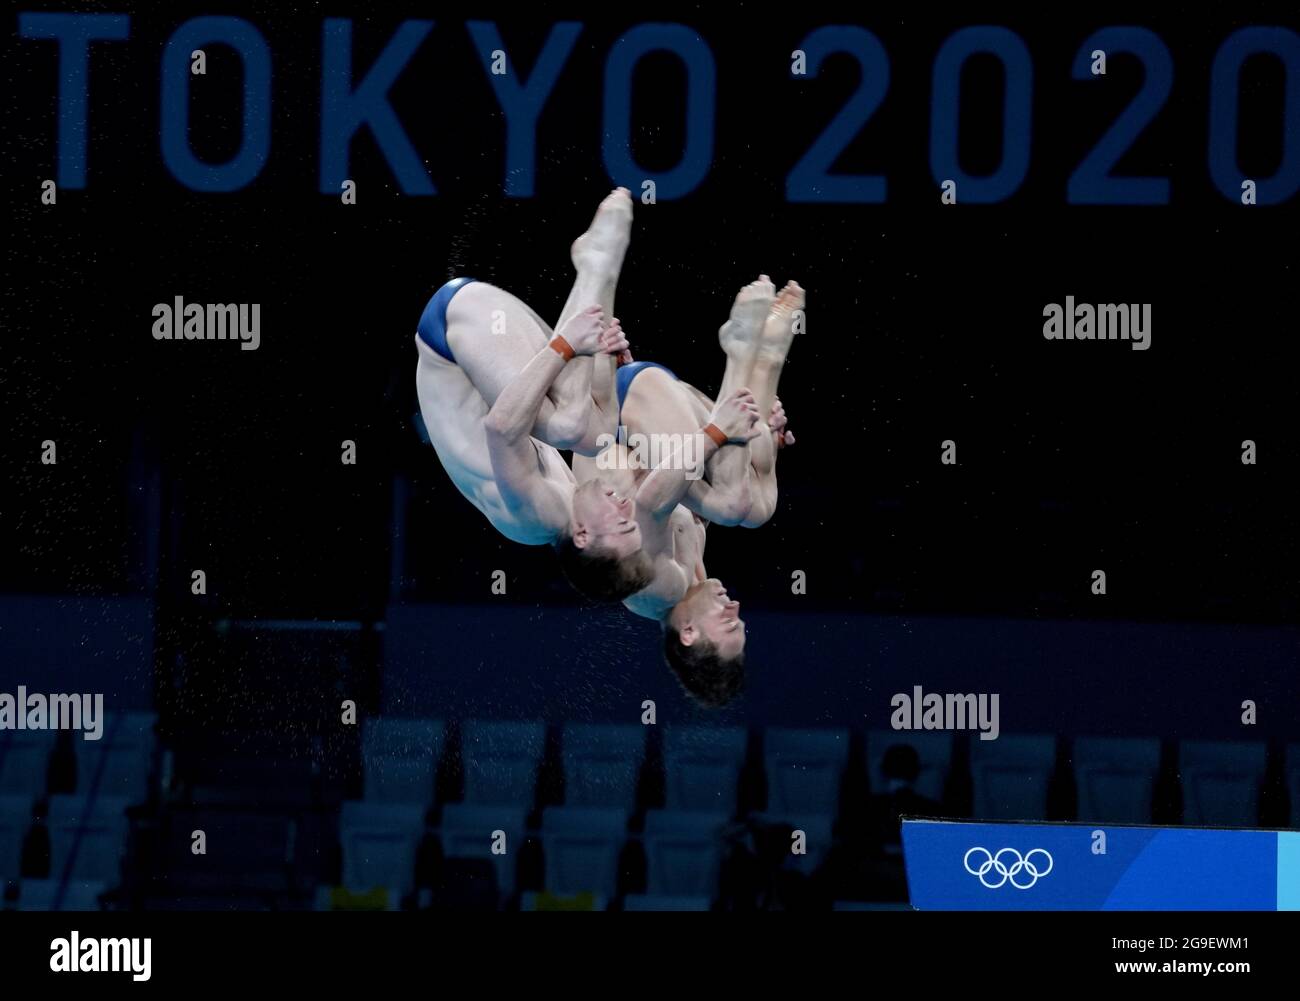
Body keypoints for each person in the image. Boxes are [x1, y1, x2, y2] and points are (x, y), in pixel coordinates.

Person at [414, 189, 659, 598]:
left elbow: (501, 426)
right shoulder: (565, 505)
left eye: (621, 523)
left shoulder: (536, 520)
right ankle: (595, 273)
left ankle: (596, 266)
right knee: (595, 434)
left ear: (582, 535)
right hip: (483, 339)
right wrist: (607, 361)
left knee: (570, 427)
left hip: (449, 336)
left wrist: (565, 345)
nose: (625, 506)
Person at [571, 277, 805, 704]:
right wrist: (762, 445)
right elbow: (685, 489)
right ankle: (764, 364)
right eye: (742, 625)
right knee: (753, 507)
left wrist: (721, 431)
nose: (736, 610)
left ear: (689, 633)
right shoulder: (690, 576)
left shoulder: (657, 591)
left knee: (735, 504)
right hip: (655, 410)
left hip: (620, 414)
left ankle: (742, 354)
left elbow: (649, 500)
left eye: (728, 624)